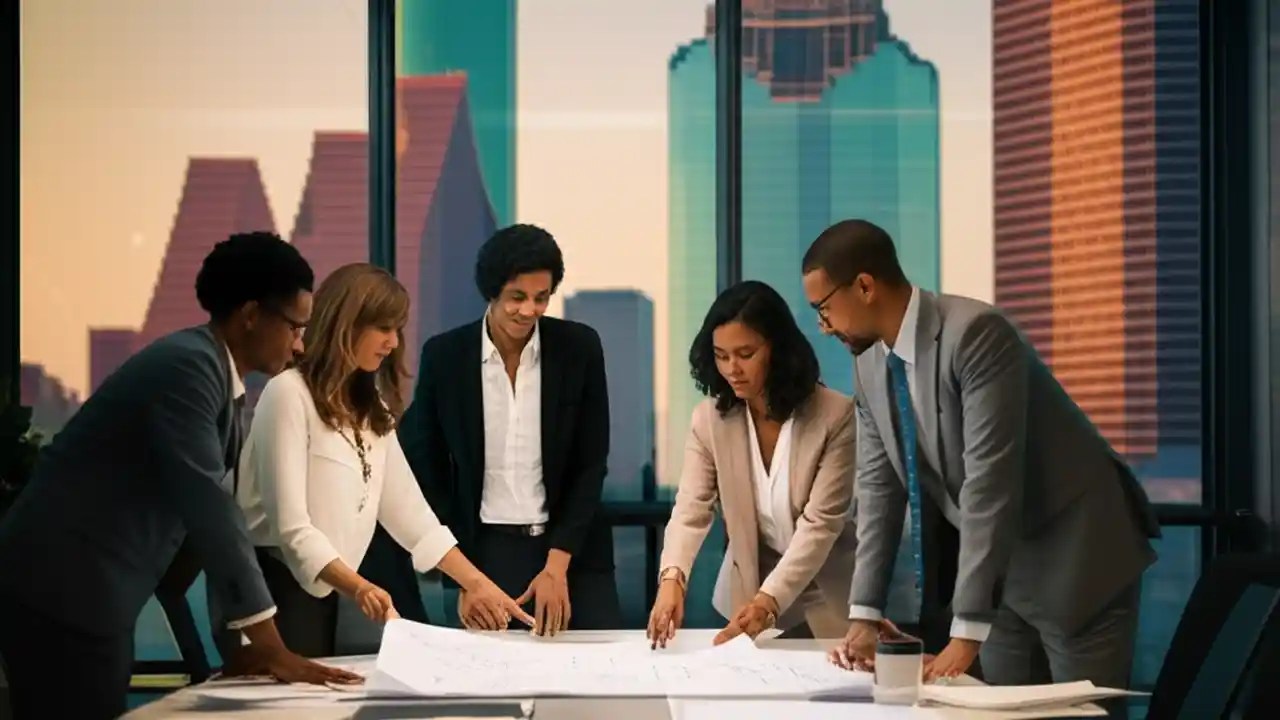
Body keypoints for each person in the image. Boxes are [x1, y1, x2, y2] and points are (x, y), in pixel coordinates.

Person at [0, 232, 361, 720]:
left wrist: (237, 649)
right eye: (296, 327)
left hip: (90, 592)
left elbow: (201, 536)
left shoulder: (217, 378)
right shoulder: (187, 369)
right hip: (63, 588)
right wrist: (271, 646)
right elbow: (212, 512)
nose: (300, 346)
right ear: (251, 315)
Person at [804, 219, 1160, 687]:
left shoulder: (975, 334)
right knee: (1003, 712)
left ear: (865, 286)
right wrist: (864, 613)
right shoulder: (870, 363)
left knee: (1081, 711)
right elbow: (877, 490)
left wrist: (967, 630)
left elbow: (990, 481)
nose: (823, 326)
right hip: (1000, 576)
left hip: (1077, 559)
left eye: (824, 308)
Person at [234, 263, 533, 657]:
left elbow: (413, 518)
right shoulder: (287, 394)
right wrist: (361, 589)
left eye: (398, 329)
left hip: (338, 590)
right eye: (384, 328)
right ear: (347, 324)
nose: (393, 342)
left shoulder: (369, 405)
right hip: (275, 592)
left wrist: (477, 583)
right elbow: (292, 530)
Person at [394, 223, 621, 635]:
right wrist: (465, 577)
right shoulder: (446, 357)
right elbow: (426, 469)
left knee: (590, 669)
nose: (530, 310)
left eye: (541, 297)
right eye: (517, 297)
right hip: (484, 555)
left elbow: (591, 463)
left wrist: (557, 566)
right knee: (485, 672)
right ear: (492, 292)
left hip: (572, 555)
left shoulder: (579, 349)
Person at [647, 281, 857, 649]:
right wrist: (672, 579)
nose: (732, 369)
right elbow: (691, 508)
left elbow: (820, 524)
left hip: (826, 592)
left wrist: (768, 602)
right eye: (721, 355)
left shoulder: (835, 415)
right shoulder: (709, 420)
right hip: (748, 592)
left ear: (778, 349)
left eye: (745, 354)